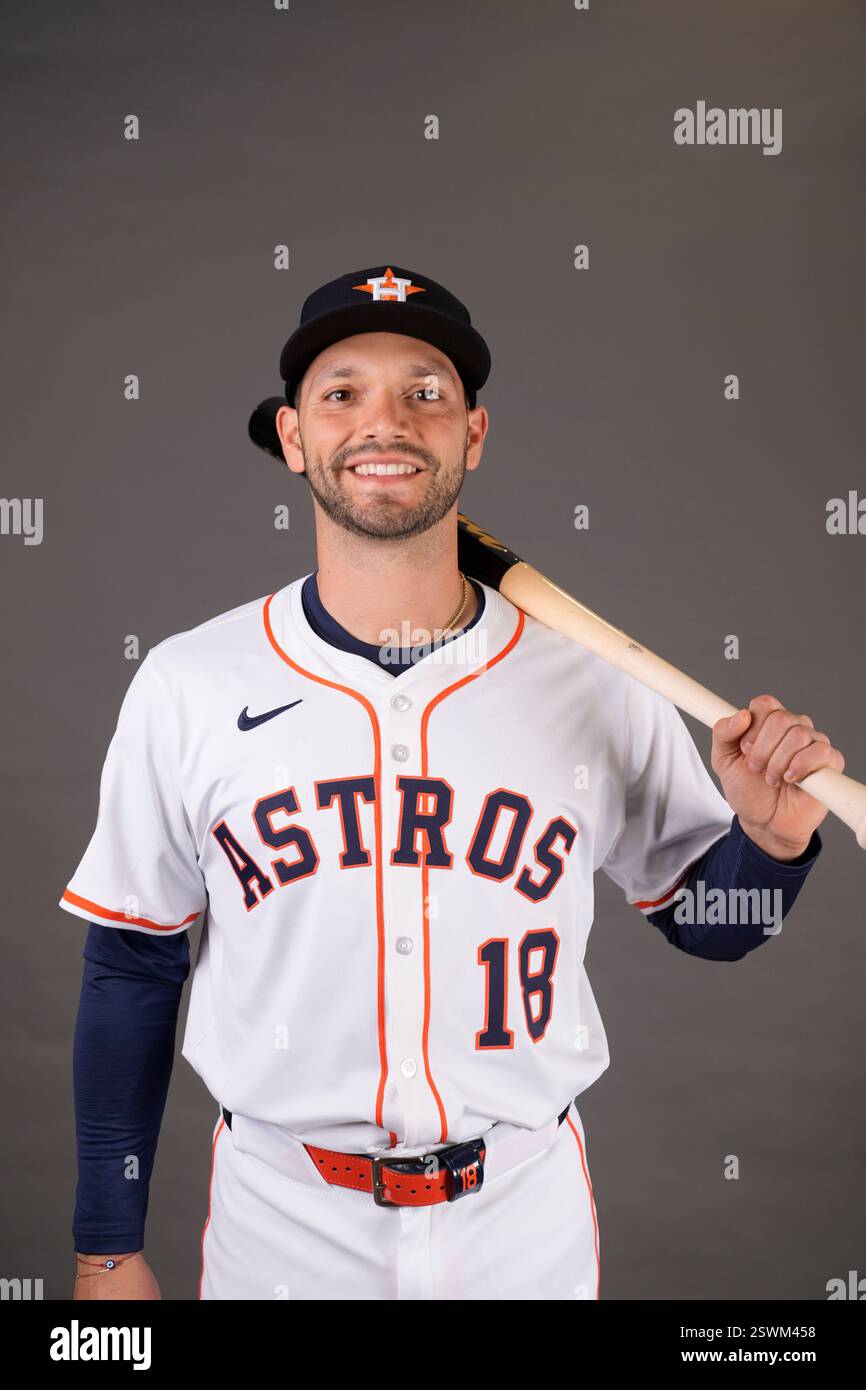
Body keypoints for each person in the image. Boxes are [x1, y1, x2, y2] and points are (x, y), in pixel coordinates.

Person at [64, 264, 844, 1300]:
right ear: (293, 437)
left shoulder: (592, 681)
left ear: (472, 434)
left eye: (423, 392)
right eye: (341, 392)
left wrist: (772, 840)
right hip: (283, 1221)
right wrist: (106, 1248)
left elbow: (712, 919)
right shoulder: (190, 683)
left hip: (519, 1218)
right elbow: (131, 966)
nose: (384, 420)